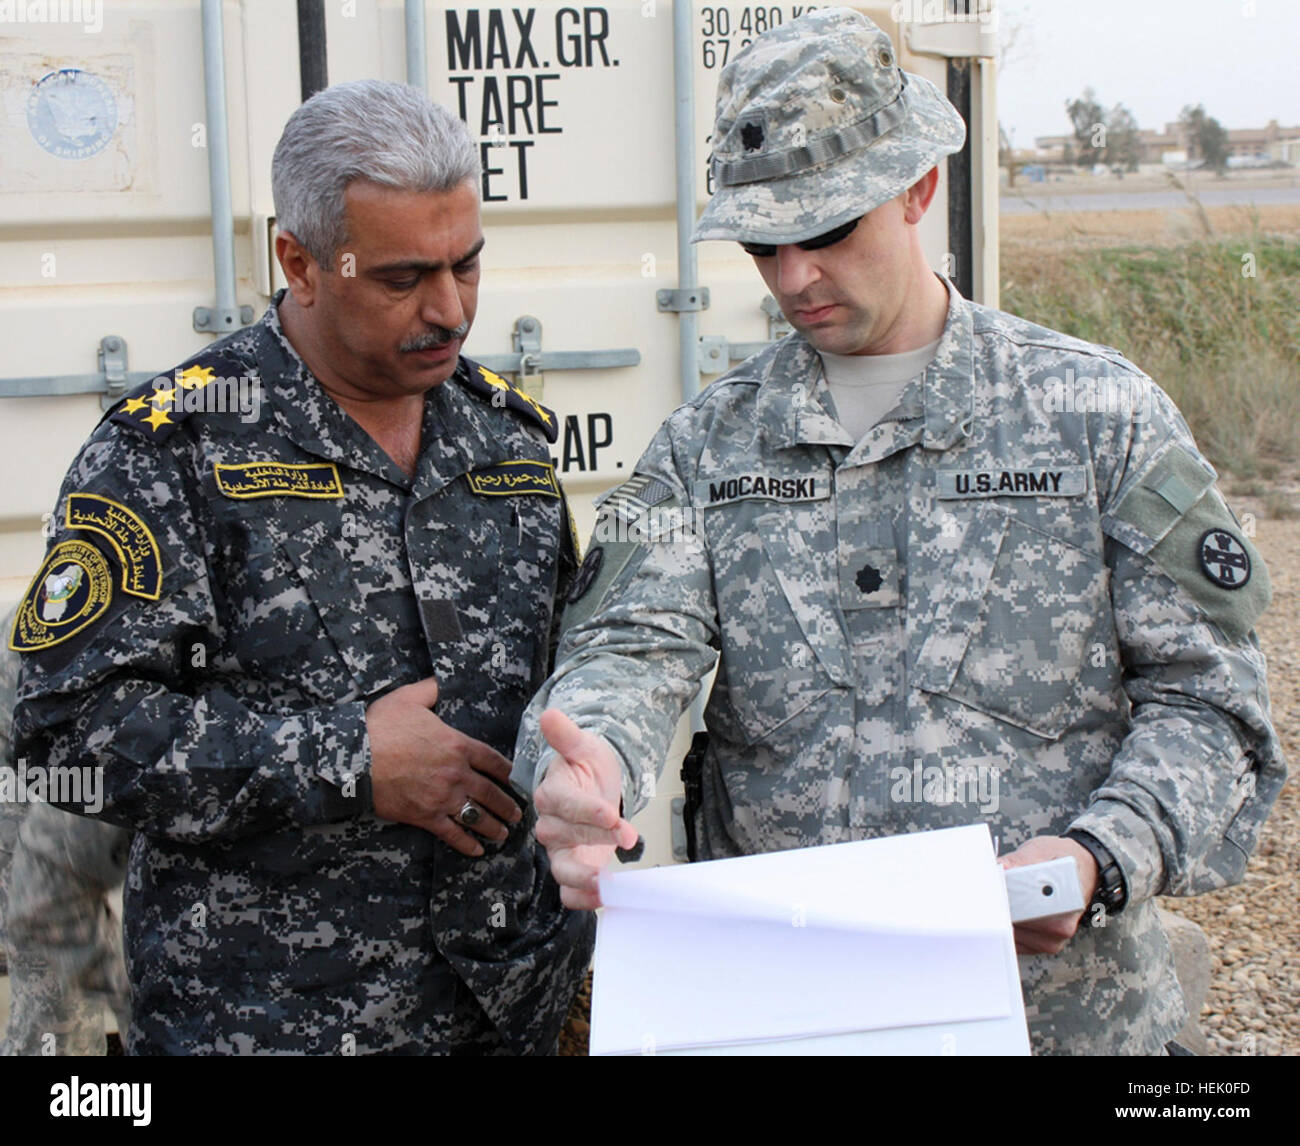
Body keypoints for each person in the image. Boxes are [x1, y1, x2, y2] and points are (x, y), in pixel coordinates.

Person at [511, 9, 1286, 1055]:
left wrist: (1099, 857)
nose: (792, 279)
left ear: (919, 189)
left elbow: (1212, 703)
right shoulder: (704, 449)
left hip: (1056, 1021)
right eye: (762, 244)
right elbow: (628, 648)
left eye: (827, 231)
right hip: (798, 1019)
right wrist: (589, 763)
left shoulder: (1099, 417)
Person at [12, 80, 593, 1055]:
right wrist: (348, 761)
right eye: (403, 277)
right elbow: (68, 737)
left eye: (467, 265)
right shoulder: (173, 450)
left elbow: (566, 687)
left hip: (510, 1010)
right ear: (302, 261)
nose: (449, 310)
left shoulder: (508, 444)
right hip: (271, 1026)